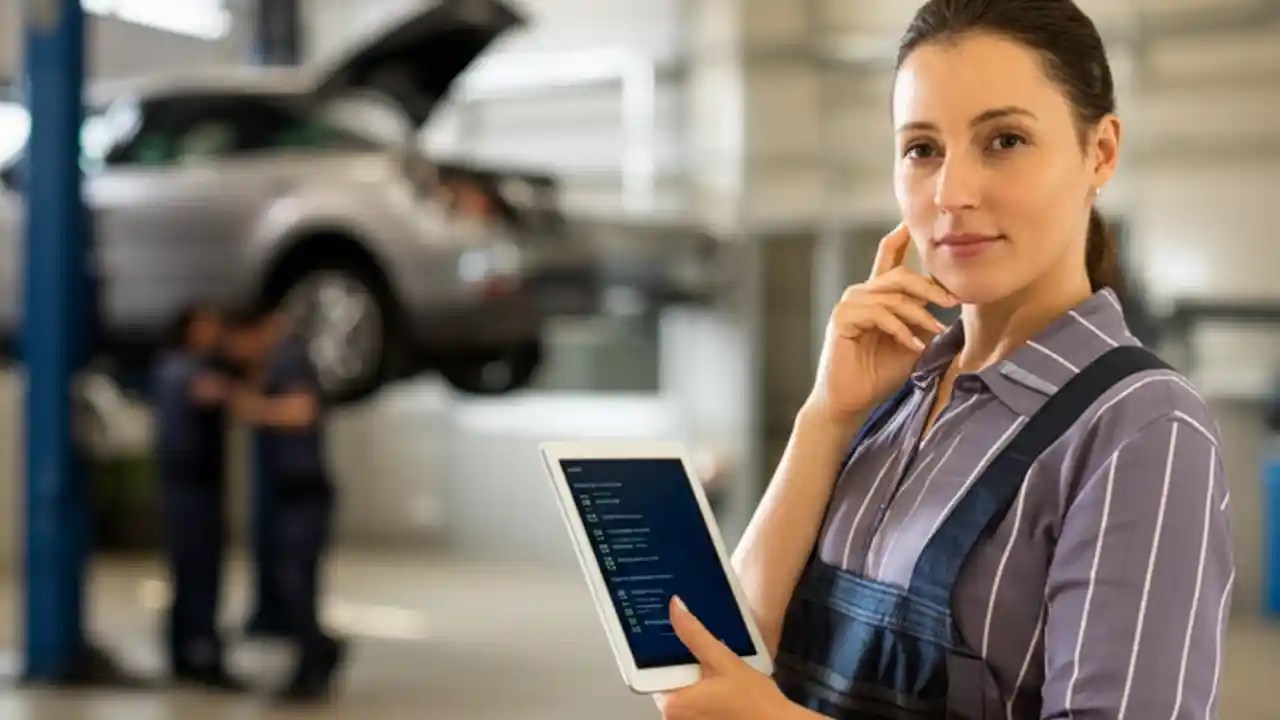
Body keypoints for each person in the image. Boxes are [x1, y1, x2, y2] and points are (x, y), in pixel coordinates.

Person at [654, 1, 1233, 718]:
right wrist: (826, 416)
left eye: (1006, 140)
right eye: (922, 149)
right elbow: (721, 652)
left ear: (1101, 152)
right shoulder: (893, 398)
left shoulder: (1142, 431)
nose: (952, 194)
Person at [223, 306, 345, 702]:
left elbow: (300, 411)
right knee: (287, 581)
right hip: (288, 492)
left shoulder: (289, 359)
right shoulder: (268, 366)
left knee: (296, 581)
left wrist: (251, 407)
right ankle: (317, 653)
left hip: (303, 492)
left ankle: (314, 663)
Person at [152, 304, 243, 690]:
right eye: (209, 325)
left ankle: (183, 653)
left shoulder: (169, 368)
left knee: (188, 573)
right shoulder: (185, 370)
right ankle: (202, 657)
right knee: (199, 574)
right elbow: (215, 394)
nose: (216, 331)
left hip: (185, 486)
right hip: (192, 488)